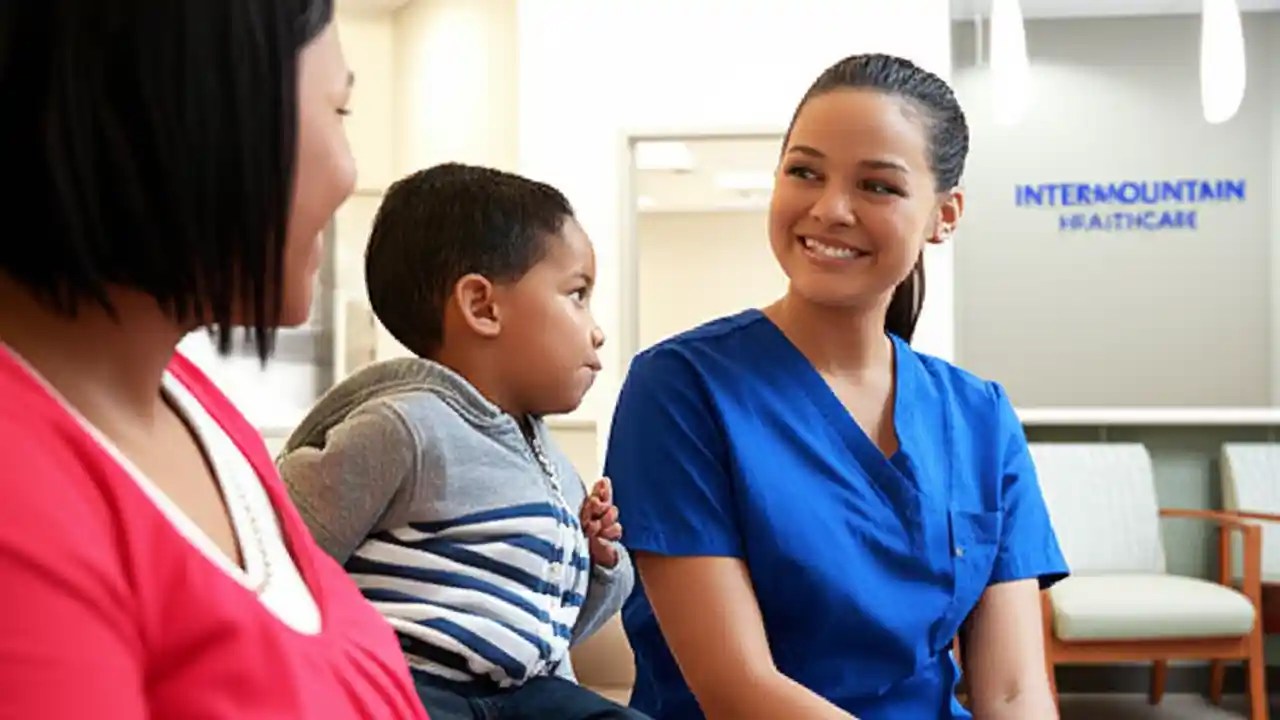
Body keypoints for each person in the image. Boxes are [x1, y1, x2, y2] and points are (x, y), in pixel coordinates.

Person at [604, 53, 1070, 720]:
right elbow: (738, 690)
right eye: (804, 172)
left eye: (877, 186)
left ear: (944, 214)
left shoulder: (979, 417)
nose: (830, 209)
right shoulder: (681, 389)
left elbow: (1013, 690)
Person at [0, 2, 429, 718]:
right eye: (339, 110)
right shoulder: (21, 499)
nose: (350, 172)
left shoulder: (190, 402)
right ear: (186, 114)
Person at [277, 163, 647, 720]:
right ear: (483, 306)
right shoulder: (404, 426)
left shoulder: (551, 463)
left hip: (525, 695)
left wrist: (596, 563)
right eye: (577, 294)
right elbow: (284, 554)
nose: (596, 330)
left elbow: (555, 630)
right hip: (408, 685)